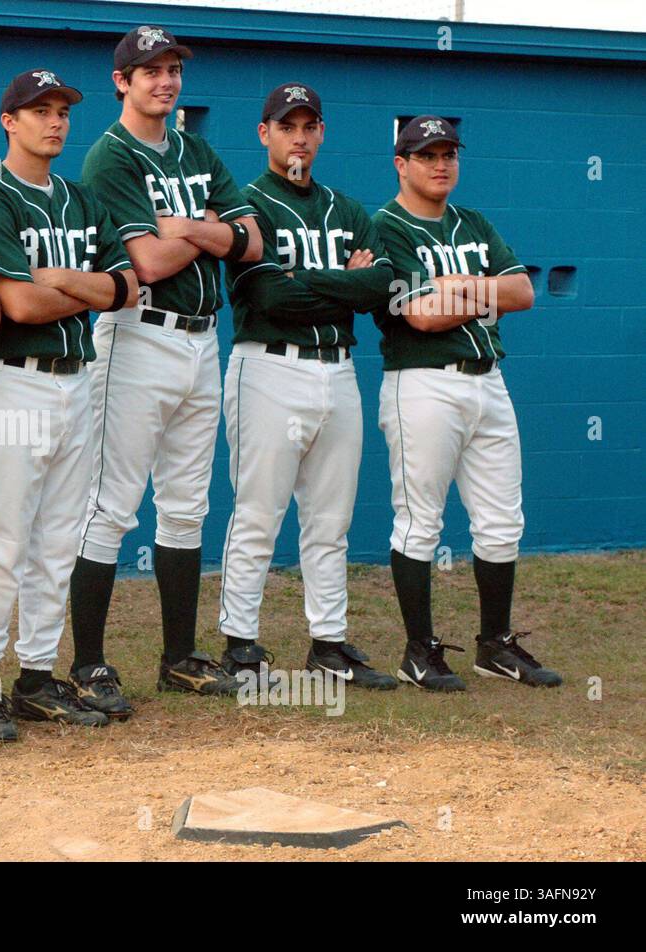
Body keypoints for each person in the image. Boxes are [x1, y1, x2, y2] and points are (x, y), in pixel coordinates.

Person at [71, 26, 263, 714]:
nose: (165, 80)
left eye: (173, 67)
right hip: (138, 338)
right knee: (111, 505)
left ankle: (178, 658)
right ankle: (89, 663)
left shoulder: (196, 147)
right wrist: (206, 231)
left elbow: (252, 240)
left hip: (202, 339)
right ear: (121, 81)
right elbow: (145, 265)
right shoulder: (109, 157)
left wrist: (183, 229)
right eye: (149, 70)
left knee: (186, 504)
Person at [0, 68, 138, 741]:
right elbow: (19, 305)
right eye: (39, 110)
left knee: (59, 538)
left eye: (62, 110)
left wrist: (60, 277)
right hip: (7, 379)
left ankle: (35, 675)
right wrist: (86, 289)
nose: (55, 121)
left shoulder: (81, 199)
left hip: (74, 378)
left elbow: (129, 289)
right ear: (9, 120)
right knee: (3, 541)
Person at [217, 82, 397, 689]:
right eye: (286, 125)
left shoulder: (347, 209)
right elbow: (268, 294)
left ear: (321, 134)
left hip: (338, 369)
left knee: (330, 521)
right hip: (267, 367)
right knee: (258, 513)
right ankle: (240, 643)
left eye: (309, 126)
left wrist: (314, 282)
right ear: (264, 132)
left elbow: (381, 286)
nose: (299, 137)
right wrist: (341, 284)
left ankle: (329, 643)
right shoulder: (246, 205)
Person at [372, 115, 561, 691]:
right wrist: (482, 289)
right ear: (401, 164)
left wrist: (456, 284)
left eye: (449, 153)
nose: (441, 163)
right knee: (420, 521)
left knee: (503, 521)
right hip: (423, 382)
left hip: (488, 380)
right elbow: (421, 316)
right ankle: (418, 651)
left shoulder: (472, 221)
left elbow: (523, 291)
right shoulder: (387, 227)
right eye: (427, 155)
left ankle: (495, 645)